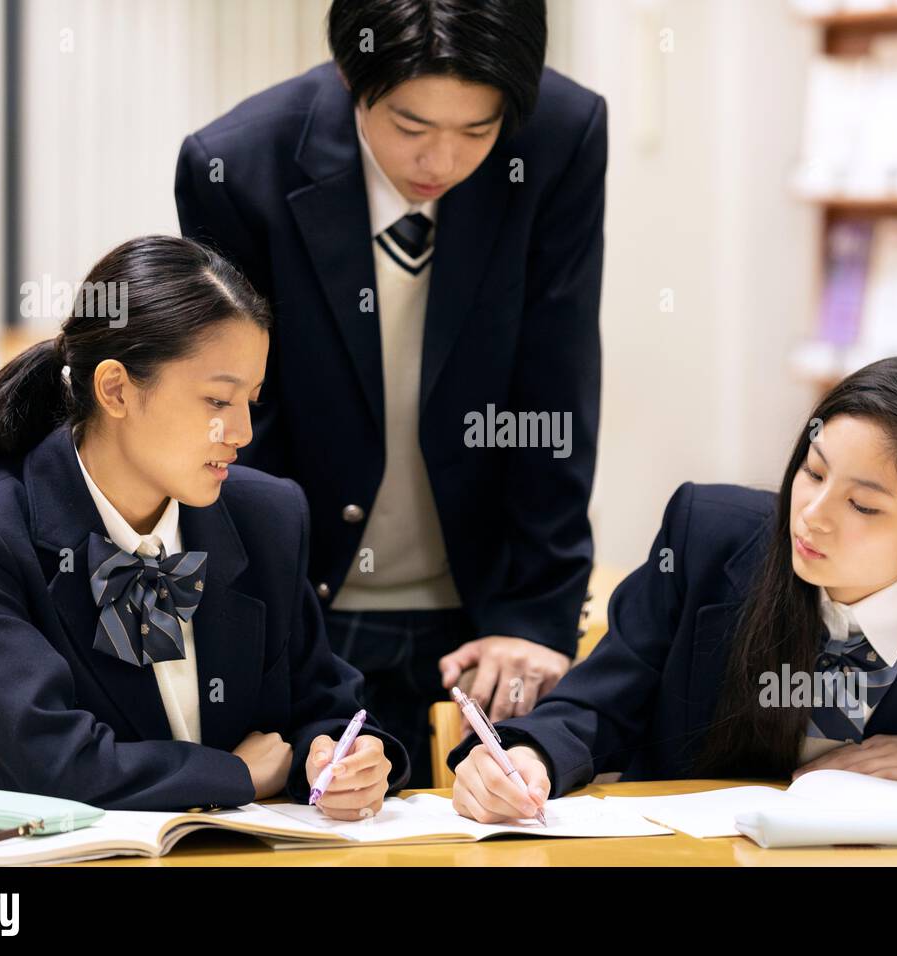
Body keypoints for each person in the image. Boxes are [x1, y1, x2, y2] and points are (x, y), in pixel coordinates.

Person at [175, 0, 606, 787]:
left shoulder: (559, 137)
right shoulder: (239, 165)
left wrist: (535, 616)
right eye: (411, 126)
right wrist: (270, 620)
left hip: (484, 594)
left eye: (477, 131)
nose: (440, 160)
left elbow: (557, 380)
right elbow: (237, 416)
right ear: (351, 76)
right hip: (306, 593)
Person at [447, 356, 897, 822]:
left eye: (863, 505)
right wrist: (529, 758)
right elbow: (598, 701)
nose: (812, 515)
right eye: (814, 471)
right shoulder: (709, 539)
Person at [0, 235, 408, 814]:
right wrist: (233, 776)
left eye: (252, 400)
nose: (244, 433)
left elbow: (328, 705)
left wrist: (342, 760)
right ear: (116, 389)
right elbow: (47, 763)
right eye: (217, 403)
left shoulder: (267, 515)